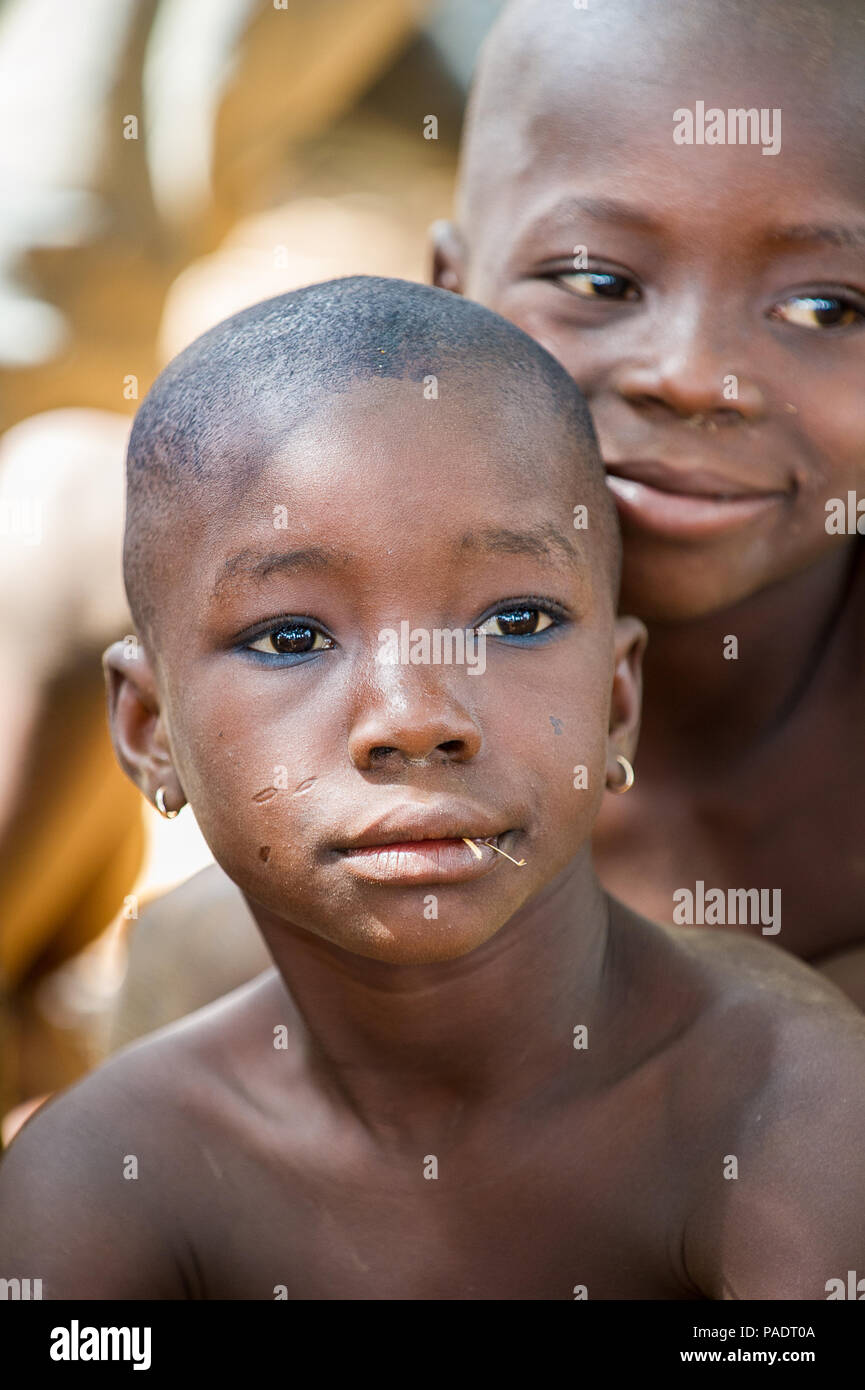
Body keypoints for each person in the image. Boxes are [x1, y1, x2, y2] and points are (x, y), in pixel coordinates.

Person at [1, 278, 864, 1300]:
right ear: (150, 733)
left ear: (616, 701)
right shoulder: (112, 1172)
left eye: (515, 622)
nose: (416, 715)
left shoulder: (785, 1107)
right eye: (291, 637)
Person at [432, 0, 865, 1000]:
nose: (690, 375)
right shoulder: (337, 570)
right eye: (596, 280)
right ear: (451, 292)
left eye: (825, 306)